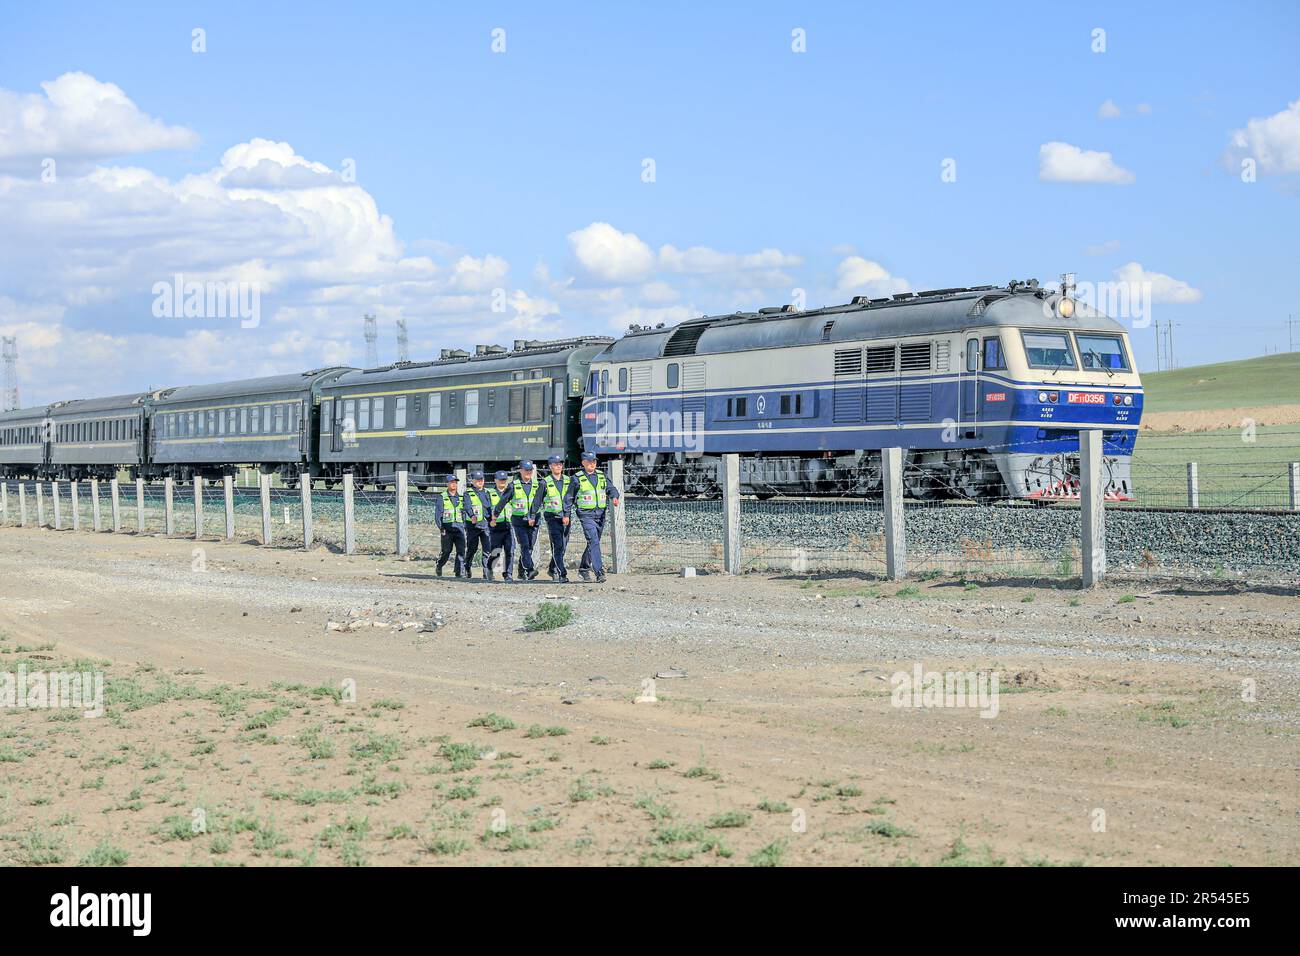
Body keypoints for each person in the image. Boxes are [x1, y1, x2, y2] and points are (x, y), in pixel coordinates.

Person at [562, 452, 621, 583]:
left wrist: (615, 497)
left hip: (600, 515)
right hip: (586, 515)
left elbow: (611, 489)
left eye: (594, 461)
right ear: (583, 463)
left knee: (593, 543)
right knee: (593, 540)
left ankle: (583, 569)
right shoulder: (576, 478)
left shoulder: (601, 475)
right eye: (589, 462)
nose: (592, 464)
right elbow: (568, 498)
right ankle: (599, 572)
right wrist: (566, 515)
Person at [492, 459, 541, 581]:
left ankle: (521, 570)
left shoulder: (537, 485)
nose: (528, 472)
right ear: (521, 470)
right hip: (519, 521)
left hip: (534, 520)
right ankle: (530, 569)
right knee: (524, 544)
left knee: (530, 546)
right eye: (526, 470)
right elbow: (503, 500)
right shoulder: (514, 485)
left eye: (530, 470)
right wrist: (495, 514)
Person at [530, 454, 572, 582]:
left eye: (560, 464)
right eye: (555, 464)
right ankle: (562, 574)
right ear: (550, 466)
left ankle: (552, 569)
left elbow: (573, 497)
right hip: (552, 517)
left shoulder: (568, 480)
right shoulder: (545, 482)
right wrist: (532, 515)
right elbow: (537, 500)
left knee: (563, 546)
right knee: (558, 546)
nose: (558, 466)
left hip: (566, 517)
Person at [461, 470, 493, 580]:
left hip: (486, 525)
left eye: (481, 480)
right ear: (473, 481)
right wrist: (472, 516)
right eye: (477, 480)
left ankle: (487, 572)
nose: (480, 482)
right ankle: (467, 567)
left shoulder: (488, 493)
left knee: (487, 550)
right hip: (473, 526)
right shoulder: (468, 493)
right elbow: (467, 506)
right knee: (472, 549)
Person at [434, 473, 466, 578]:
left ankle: (459, 572)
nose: (454, 484)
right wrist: (441, 528)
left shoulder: (461, 497)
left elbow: (465, 513)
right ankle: (439, 565)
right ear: (447, 484)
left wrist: (465, 526)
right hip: (447, 529)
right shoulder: (442, 497)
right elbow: (438, 515)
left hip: (460, 528)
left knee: (461, 551)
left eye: (455, 483)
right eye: (451, 482)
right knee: (446, 551)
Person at [485, 470, 515, 582]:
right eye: (500, 480)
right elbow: (486, 508)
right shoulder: (490, 493)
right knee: (496, 551)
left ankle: (508, 574)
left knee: (510, 550)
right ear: (495, 480)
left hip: (509, 525)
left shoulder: (511, 492)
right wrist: (490, 520)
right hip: (496, 526)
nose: (502, 482)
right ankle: (489, 568)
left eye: (504, 480)